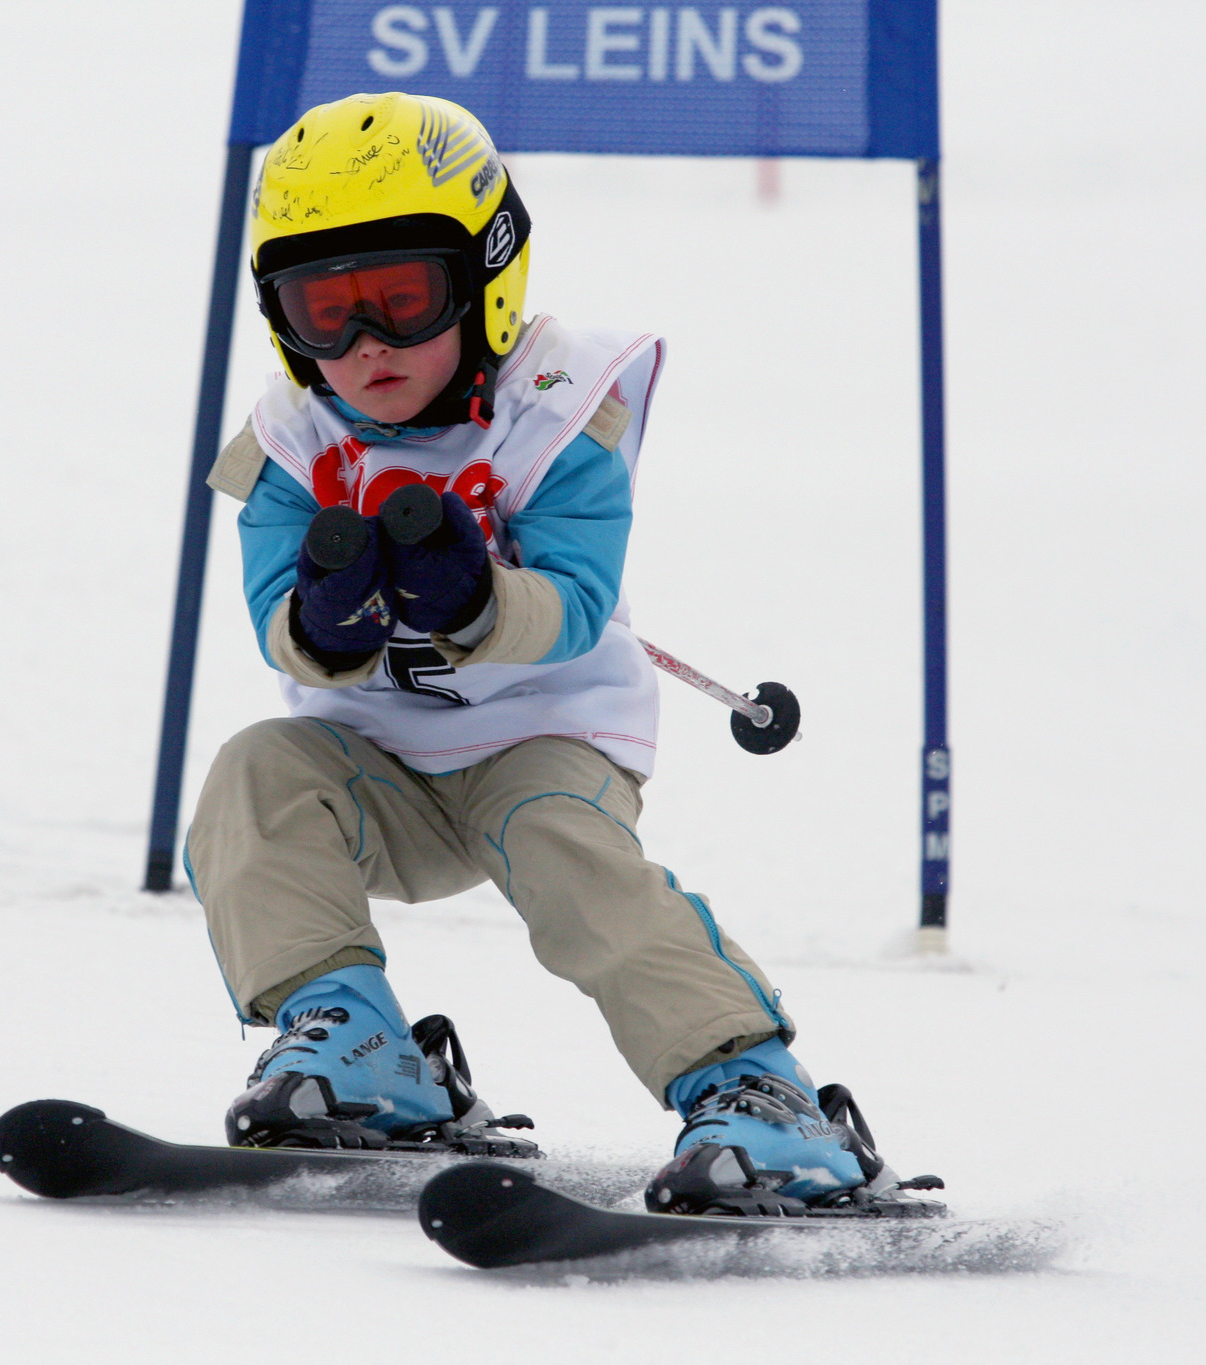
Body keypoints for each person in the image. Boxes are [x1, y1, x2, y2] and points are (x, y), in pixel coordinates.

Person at [187, 92, 900, 1211]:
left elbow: (574, 599)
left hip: (543, 740)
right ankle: (355, 1046)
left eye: (399, 297)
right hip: (376, 758)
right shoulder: (287, 440)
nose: (363, 344)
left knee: (564, 848)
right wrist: (322, 624)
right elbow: (276, 612)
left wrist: (475, 596)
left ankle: (758, 1092)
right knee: (253, 774)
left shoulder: (556, 413)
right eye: (321, 310)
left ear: (486, 272)